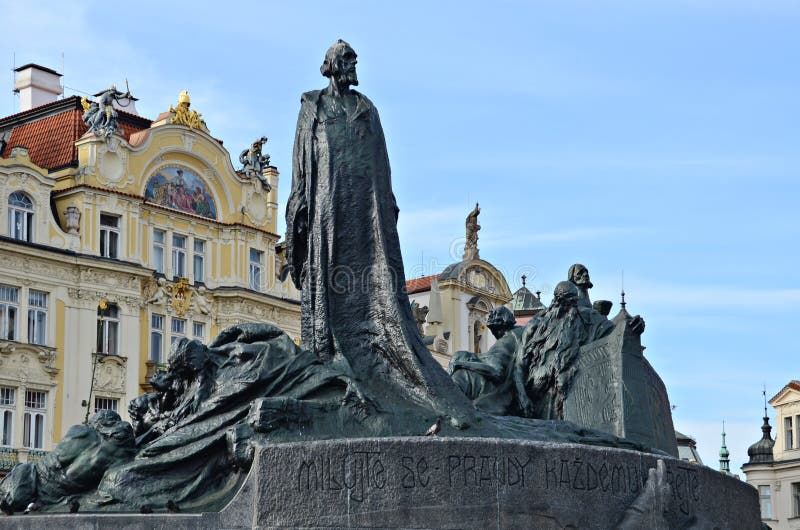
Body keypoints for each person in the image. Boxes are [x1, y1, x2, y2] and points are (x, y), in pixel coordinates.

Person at [285, 40, 464, 409]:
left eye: (355, 59)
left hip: (365, 209)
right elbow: (301, 160)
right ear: (332, 65)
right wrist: (299, 202)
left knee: (371, 273)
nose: (354, 65)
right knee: (329, 274)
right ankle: (330, 348)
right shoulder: (312, 107)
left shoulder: (366, 109)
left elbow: (381, 161)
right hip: (327, 203)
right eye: (348, 59)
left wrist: (387, 203)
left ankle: (373, 349)